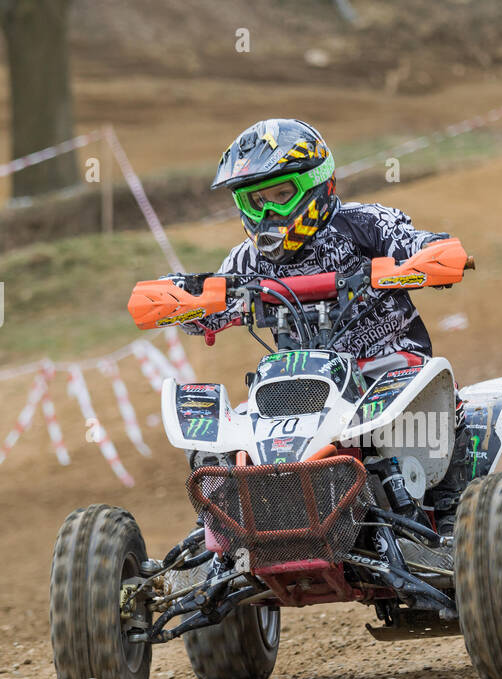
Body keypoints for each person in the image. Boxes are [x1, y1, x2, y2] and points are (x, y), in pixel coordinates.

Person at [192, 118, 473, 532]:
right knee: (212, 428)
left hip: (387, 369)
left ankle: (456, 520)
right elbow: (208, 307)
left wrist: (433, 255)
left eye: (281, 195)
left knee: (436, 404)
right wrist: (184, 302)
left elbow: (417, 243)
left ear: (317, 185)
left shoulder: (366, 225)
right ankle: (221, 535)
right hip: (299, 388)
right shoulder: (247, 261)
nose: (269, 211)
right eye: (256, 201)